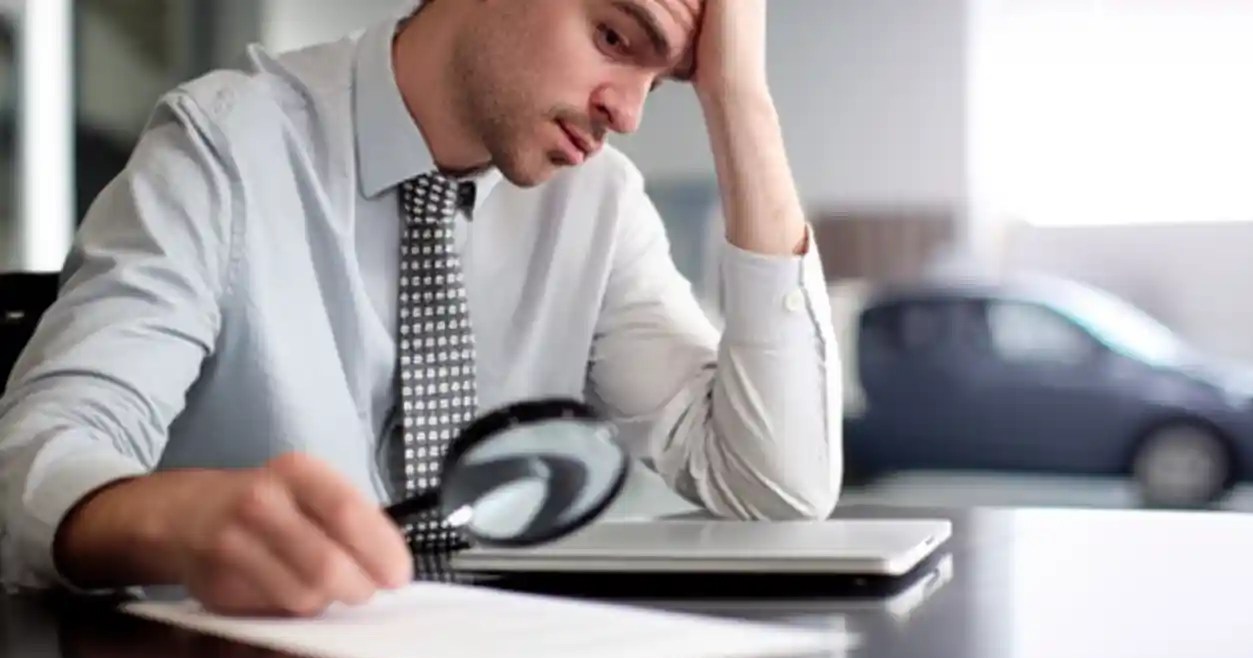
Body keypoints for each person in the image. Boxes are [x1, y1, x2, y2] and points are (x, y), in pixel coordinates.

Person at [0, 0, 841, 615]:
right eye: (614, 38)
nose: (625, 112)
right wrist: (174, 523)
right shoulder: (226, 148)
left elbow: (774, 483)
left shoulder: (598, 206)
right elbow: (39, 454)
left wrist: (741, 99)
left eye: (662, 82)